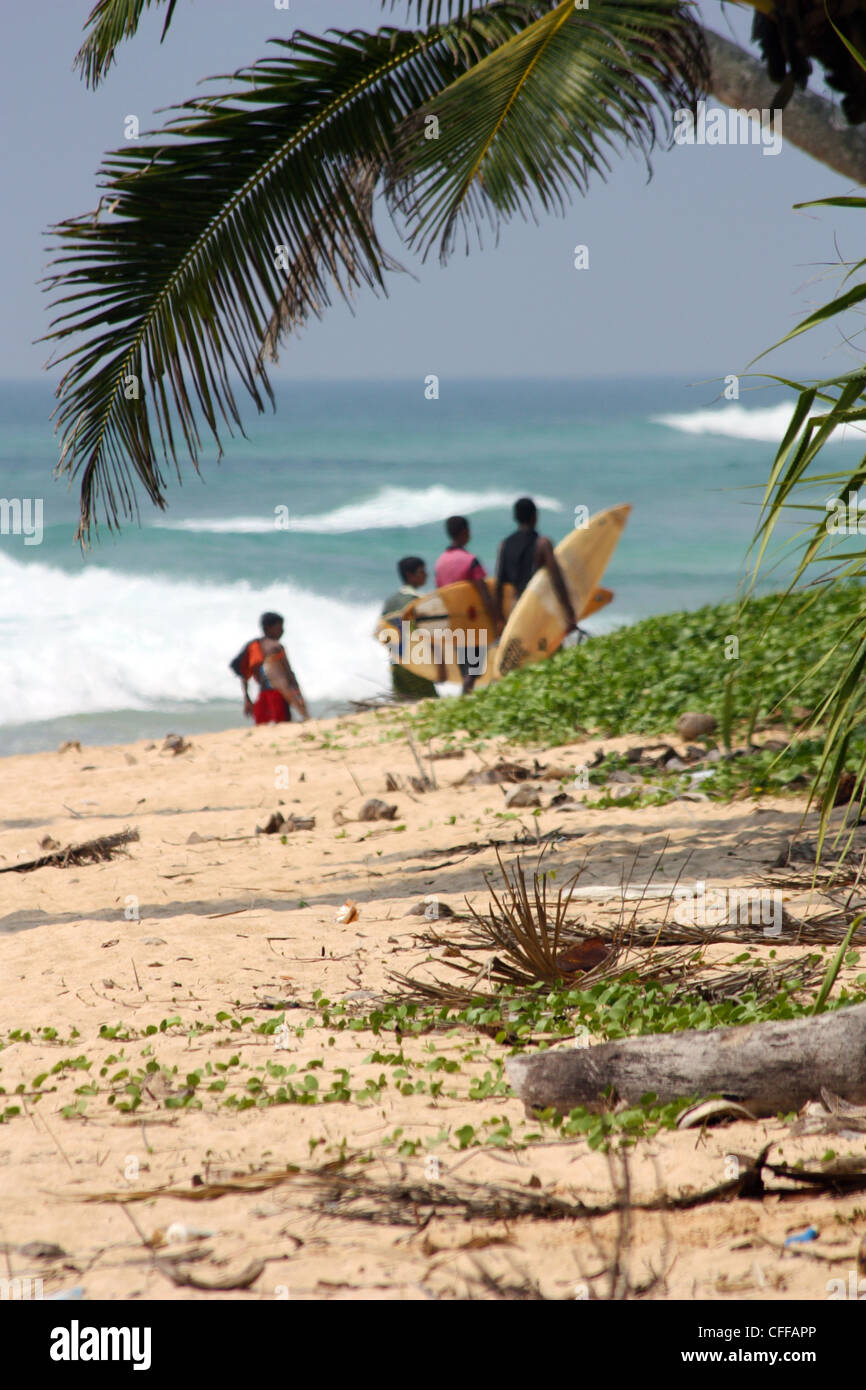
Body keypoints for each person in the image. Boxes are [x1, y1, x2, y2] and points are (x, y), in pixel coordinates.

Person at [434, 515, 500, 693]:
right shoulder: (470, 560)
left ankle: (467, 694)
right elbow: (484, 593)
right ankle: (467, 692)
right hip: (473, 620)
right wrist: (496, 621)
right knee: (475, 667)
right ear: (465, 532)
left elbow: (439, 595)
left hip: (453, 621)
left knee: (466, 665)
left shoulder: (440, 562)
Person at [496, 497, 578, 632]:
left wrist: (500, 619)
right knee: (549, 651)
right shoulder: (543, 544)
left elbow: (499, 586)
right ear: (535, 517)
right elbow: (556, 579)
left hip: (517, 607)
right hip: (539, 605)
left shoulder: (504, 545)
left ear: (515, 517)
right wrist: (568, 611)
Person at [230, 612, 309, 724]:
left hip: (262, 697)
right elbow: (288, 673)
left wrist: (247, 699)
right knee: (283, 725)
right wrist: (298, 694)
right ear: (268, 628)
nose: (282, 631)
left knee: (263, 728)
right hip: (278, 696)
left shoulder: (253, 646)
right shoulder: (276, 647)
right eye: (280, 627)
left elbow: (244, 674)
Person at [381, 557, 438, 702]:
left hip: (396, 662)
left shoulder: (390, 601)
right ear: (409, 575)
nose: (426, 574)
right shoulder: (417, 600)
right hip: (416, 661)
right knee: (429, 702)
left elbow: (384, 631)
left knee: (402, 704)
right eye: (421, 571)